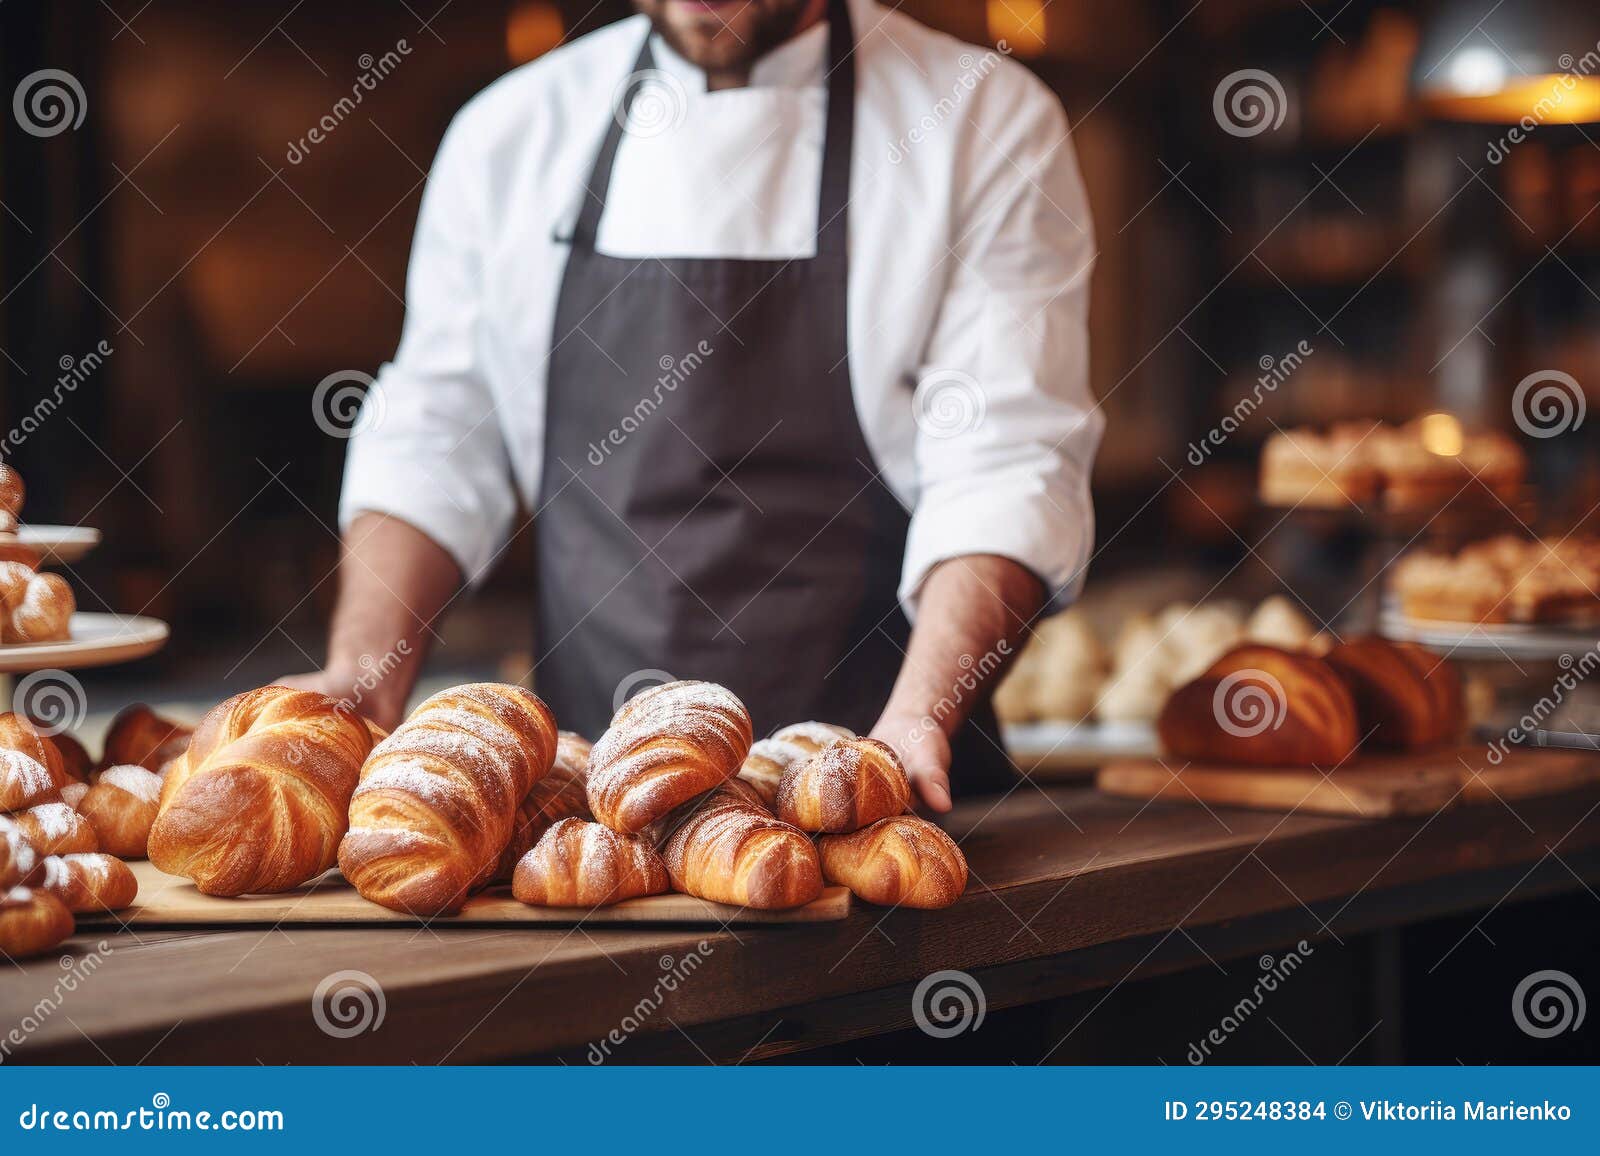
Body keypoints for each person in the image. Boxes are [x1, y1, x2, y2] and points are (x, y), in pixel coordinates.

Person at [284, 0, 1101, 812]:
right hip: (583, 818)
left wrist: (916, 720)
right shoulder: (511, 133)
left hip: (884, 794)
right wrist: (362, 684)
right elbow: (437, 435)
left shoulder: (982, 121)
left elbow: (1005, 463)